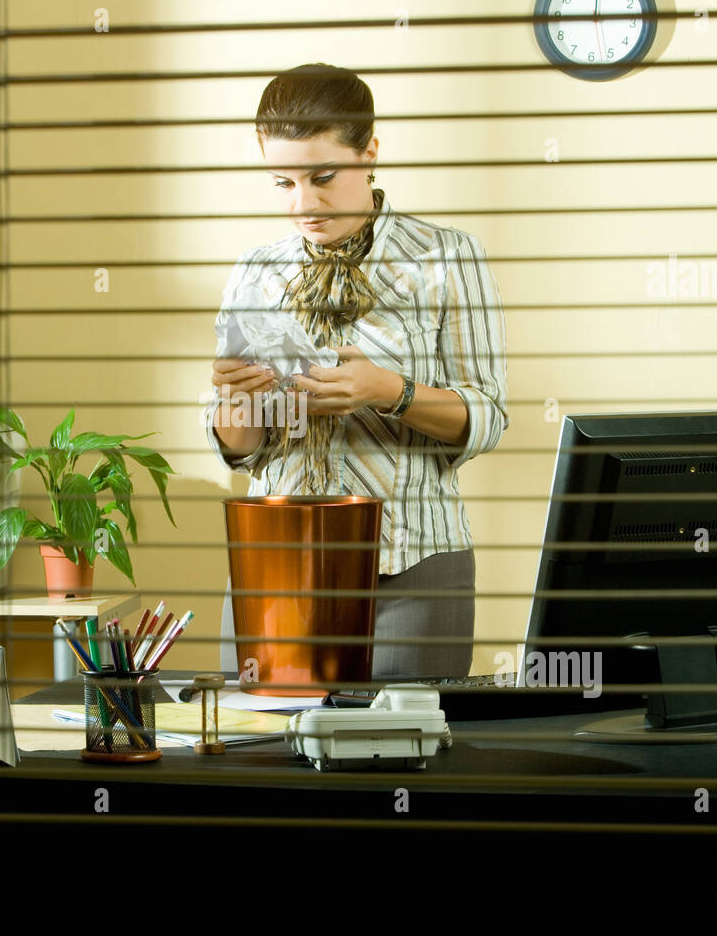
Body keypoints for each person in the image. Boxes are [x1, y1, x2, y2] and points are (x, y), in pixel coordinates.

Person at [203, 63, 509, 679]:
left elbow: (487, 417)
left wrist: (387, 391)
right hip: (277, 564)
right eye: (283, 182)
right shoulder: (257, 270)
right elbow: (240, 451)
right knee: (259, 761)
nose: (304, 205)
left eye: (322, 177)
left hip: (413, 561)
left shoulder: (447, 257)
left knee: (402, 758)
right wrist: (239, 408)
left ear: (369, 152)